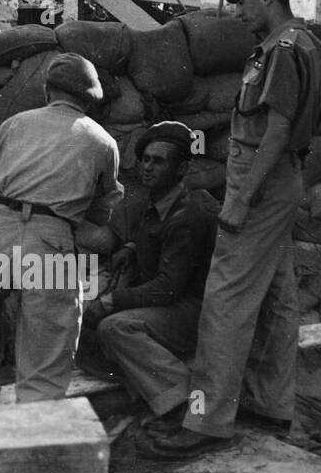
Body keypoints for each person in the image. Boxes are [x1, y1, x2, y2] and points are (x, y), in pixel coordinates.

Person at [150, 0, 321, 457]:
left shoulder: (283, 51)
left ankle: (205, 424)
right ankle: (271, 404)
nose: (240, 13)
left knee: (225, 302)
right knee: (276, 296)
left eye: (244, 2)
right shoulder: (306, 46)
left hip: (260, 181)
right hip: (279, 178)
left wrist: (241, 200)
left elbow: (276, 129)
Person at [0, 52, 122, 405]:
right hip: (49, 238)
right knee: (49, 337)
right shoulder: (102, 141)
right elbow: (103, 210)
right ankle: (36, 420)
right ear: (90, 99)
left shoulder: (15, 124)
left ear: (48, 90)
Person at [77, 121, 218, 427]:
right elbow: (151, 233)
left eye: (159, 161)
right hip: (171, 304)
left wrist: (113, 300)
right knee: (86, 327)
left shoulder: (188, 215)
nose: (147, 168)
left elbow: (169, 287)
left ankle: (185, 404)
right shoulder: (155, 202)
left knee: (115, 327)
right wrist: (129, 247)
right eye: (145, 160)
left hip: (194, 310)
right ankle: (142, 394)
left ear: (181, 169)